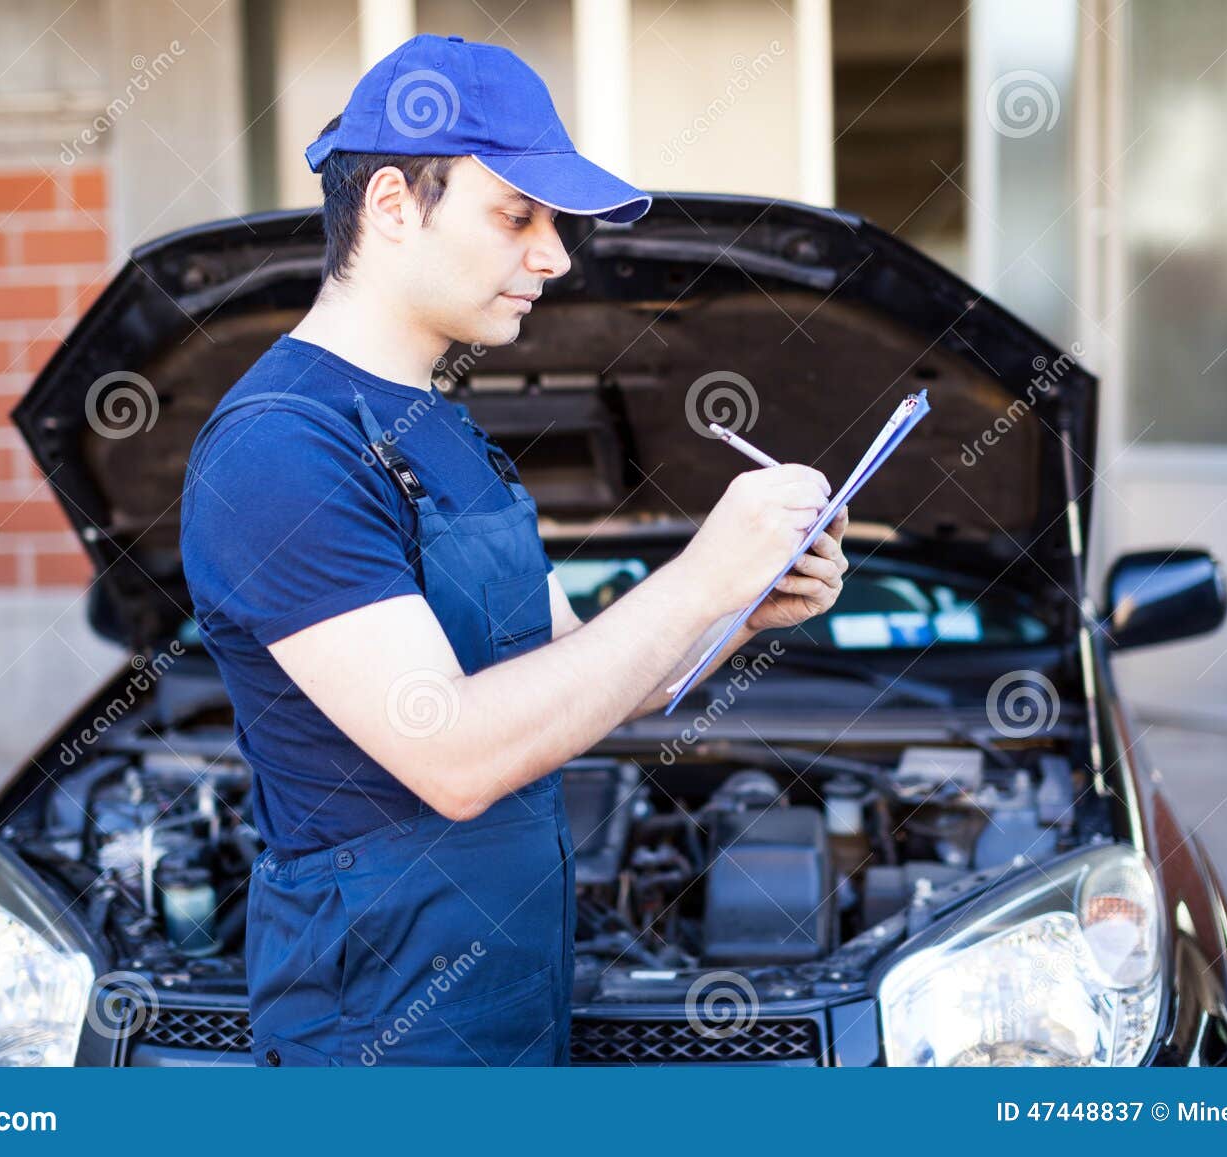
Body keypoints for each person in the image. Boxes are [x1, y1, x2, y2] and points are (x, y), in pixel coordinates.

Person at [179, 33, 848, 1067]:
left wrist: (740, 605)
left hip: (509, 993)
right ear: (394, 206)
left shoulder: (441, 426)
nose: (556, 255)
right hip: (378, 1029)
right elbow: (451, 754)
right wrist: (695, 575)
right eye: (516, 216)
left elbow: (584, 673)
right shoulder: (280, 445)